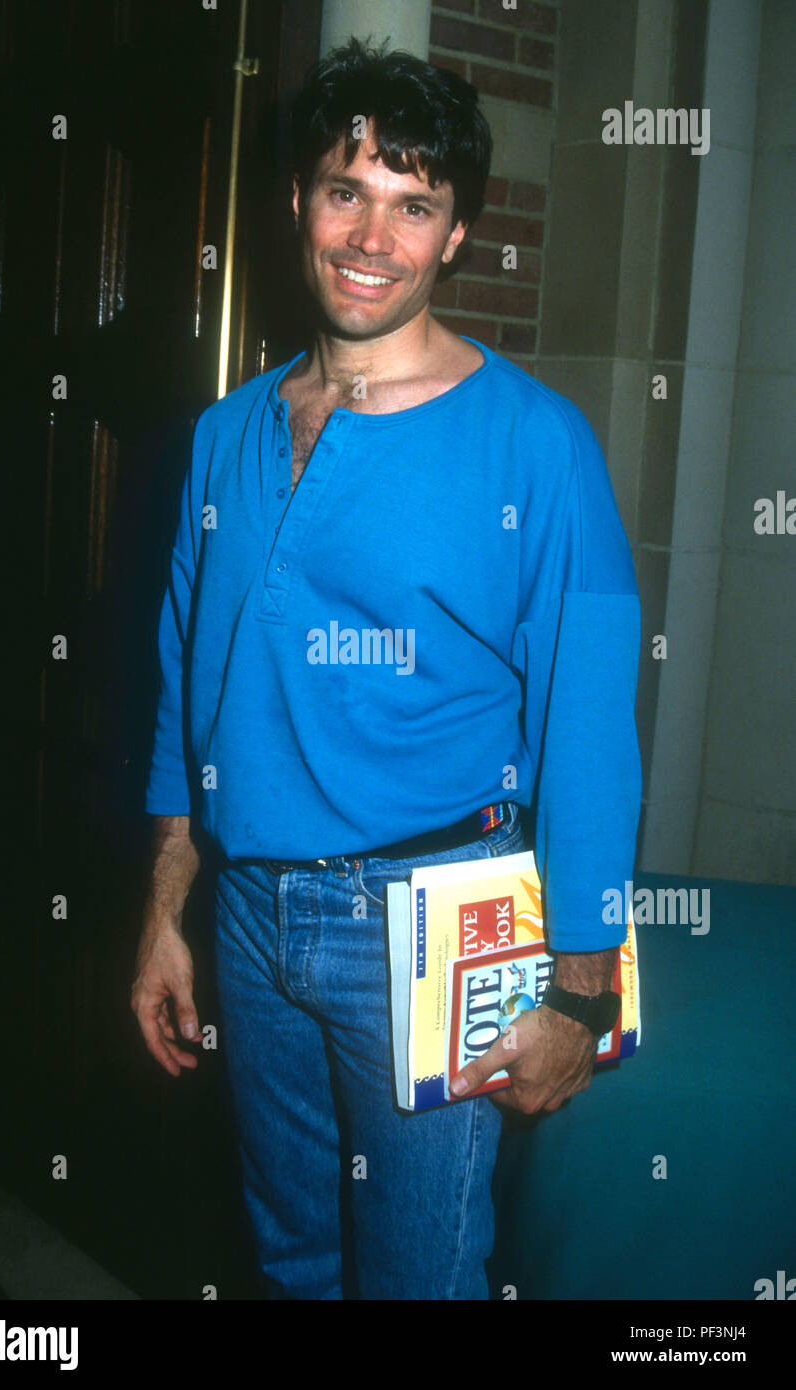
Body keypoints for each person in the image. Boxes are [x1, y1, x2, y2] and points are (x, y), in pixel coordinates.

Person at [131, 37, 642, 1300]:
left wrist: (576, 997)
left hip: (428, 918)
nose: (372, 235)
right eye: (343, 190)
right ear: (298, 203)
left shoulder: (535, 443)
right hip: (250, 917)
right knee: (294, 1256)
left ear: (456, 234)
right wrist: (163, 914)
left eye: (413, 204)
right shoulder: (223, 432)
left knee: (417, 1275)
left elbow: (585, 726)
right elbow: (184, 686)